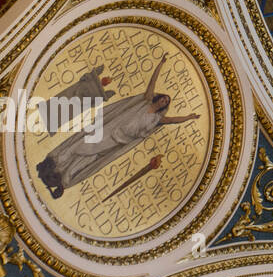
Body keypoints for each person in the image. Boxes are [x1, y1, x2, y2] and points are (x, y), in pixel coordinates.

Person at [34, 60, 199, 199]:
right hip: (111, 128)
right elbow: (152, 83)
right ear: (159, 97)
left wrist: (189, 117)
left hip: (117, 141)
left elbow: (173, 120)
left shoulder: (158, 119)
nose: (163, 101)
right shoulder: (147, 101)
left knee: (91, 157)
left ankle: (63, 177)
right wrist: (161, 64)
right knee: (84, 143)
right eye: (163, 98)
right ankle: (55, 163)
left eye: (166, 102)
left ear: (165, 106)